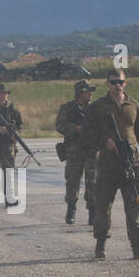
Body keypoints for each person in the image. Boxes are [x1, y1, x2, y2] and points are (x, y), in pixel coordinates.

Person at [80, 69, 139, 259]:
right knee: (103, 207)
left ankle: (138, 247)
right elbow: (86, 135)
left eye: (120, 82)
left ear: (125, 83)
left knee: (134, 206)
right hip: (108, 164)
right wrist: (104, 142)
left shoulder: (133, 105)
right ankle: (100, 244)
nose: (117, 86)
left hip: (132, 163)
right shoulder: (97, 107)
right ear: (107, 84)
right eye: (113, 82)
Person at [55, 79, 97, 224]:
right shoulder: (67, 108)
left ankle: (92, 212)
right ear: (81, 92)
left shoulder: (95, 109)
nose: (91, 93)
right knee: (72, 181)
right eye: (88, 90)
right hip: (74, 151)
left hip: (91, 151)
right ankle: (71, 209)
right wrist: (75, 128)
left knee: (93, 181)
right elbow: (59, 126)